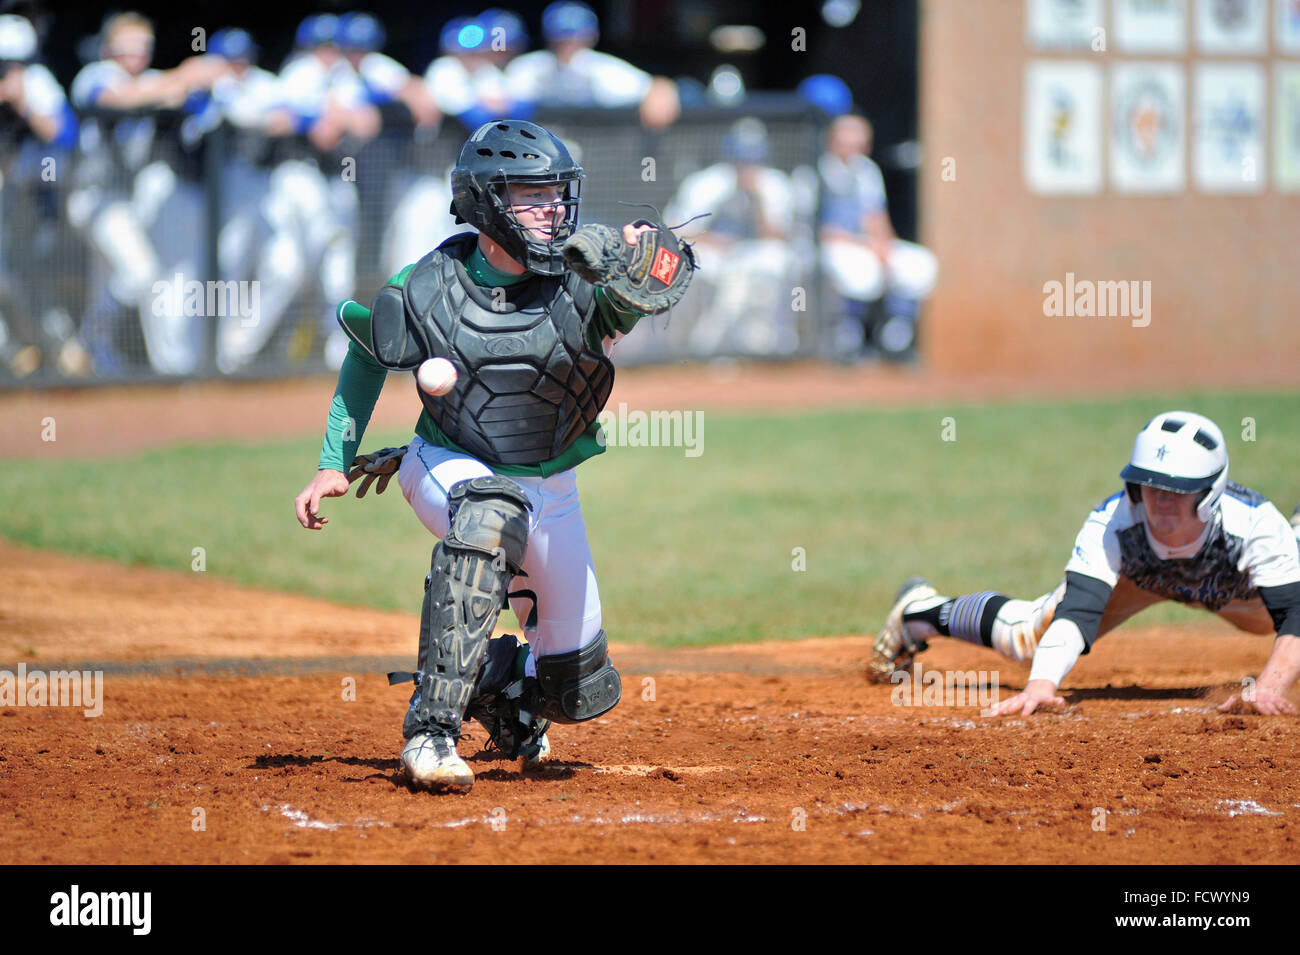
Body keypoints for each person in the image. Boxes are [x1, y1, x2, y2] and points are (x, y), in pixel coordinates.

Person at [294, 119, 669, 792]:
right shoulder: (428, 283)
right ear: (487, 203)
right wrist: (332, 460)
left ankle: (497, 680)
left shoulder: (583, 281)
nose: (553, 210)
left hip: (551, 486)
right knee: (488, 512)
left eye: (558, 194)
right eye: (533, 195)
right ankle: (430, 732)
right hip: (448, 465)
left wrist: (642, 250)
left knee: (577, 689)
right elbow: (364, 353)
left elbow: (657, 283)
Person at [870, 411, 1300, 717]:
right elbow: (1077, 614)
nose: (1160, 500)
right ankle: (919, 611)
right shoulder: (1113, 523)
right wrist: (1041, 685)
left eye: (1177, 489)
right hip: (1138, 577)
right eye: (1149, 486)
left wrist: (1269, 687)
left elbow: (1294, 616)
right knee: (1028, 639)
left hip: (1243, 592)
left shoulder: (1254, 525)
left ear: (1209, 492)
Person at [666, 116, 798, 356]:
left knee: (777, 260)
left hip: (753, 256)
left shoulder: (774, 183)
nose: (747, 164)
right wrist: (712, 239)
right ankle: (691, 346)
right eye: (742, 157)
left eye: (753, 157)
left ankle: (771, 345)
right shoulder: (707, 182)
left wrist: (757, 198)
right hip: (713, 253)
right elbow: (675, 230)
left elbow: (781, 236)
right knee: (693, 261)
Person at [818, 113, 937, 364]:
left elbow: (876, 217)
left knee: (918, 262)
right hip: (834, 246)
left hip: (864, 244)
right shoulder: (816, 169)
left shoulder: (866, 170)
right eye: (848, 141)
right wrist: (866, 245)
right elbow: (816, 230)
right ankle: (849, 340)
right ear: (832, 141)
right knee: (860, 270)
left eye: (861, 143)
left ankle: (896, 340)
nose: (856, 148)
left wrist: (884, 245)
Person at [505, 1, 678, 128]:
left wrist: (661, 89)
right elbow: (496, 95)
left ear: (592, 37)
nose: (569, 44)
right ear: (549, 37)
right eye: (562, 37)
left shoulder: (600, 68)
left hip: (592, 149)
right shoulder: (529, 67)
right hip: (540, 151)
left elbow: (654, 86)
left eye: (577, 37)